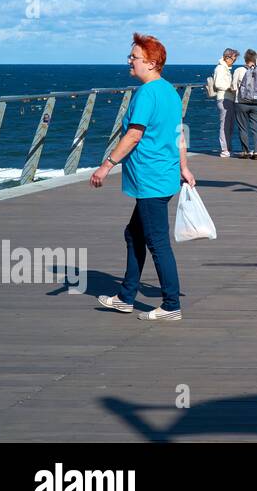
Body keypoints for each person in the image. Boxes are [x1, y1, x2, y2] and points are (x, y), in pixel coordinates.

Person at [90, 33, 196, 321]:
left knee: (157, 241)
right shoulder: (169, 92)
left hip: (151, 178)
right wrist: (183, 167)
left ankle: (171, 304)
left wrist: (106, 165)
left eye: (134, 57)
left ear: (150, 63)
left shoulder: (147, 94)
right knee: (134, 233)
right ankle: (126, 297)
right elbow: (178, 134)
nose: (130, 61)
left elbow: (134, 135)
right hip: (165, 176)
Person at [231, 49, 257, 159]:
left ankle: (245, 151)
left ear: (245, 59)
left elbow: (234, 87)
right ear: (255, 59)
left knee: (243, 127)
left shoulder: (239, 70)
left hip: (241, 103)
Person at [210, 47, 238, 158]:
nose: (234, 61)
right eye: (233, 59)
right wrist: (230, 87)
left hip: (228, 98)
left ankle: (227, 148)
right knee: (225, 125)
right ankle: (224, 150)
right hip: (224, 98)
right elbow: (218, 84)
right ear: (227, 57)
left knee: (229, 125)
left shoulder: (225, 68)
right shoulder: (220, 68)